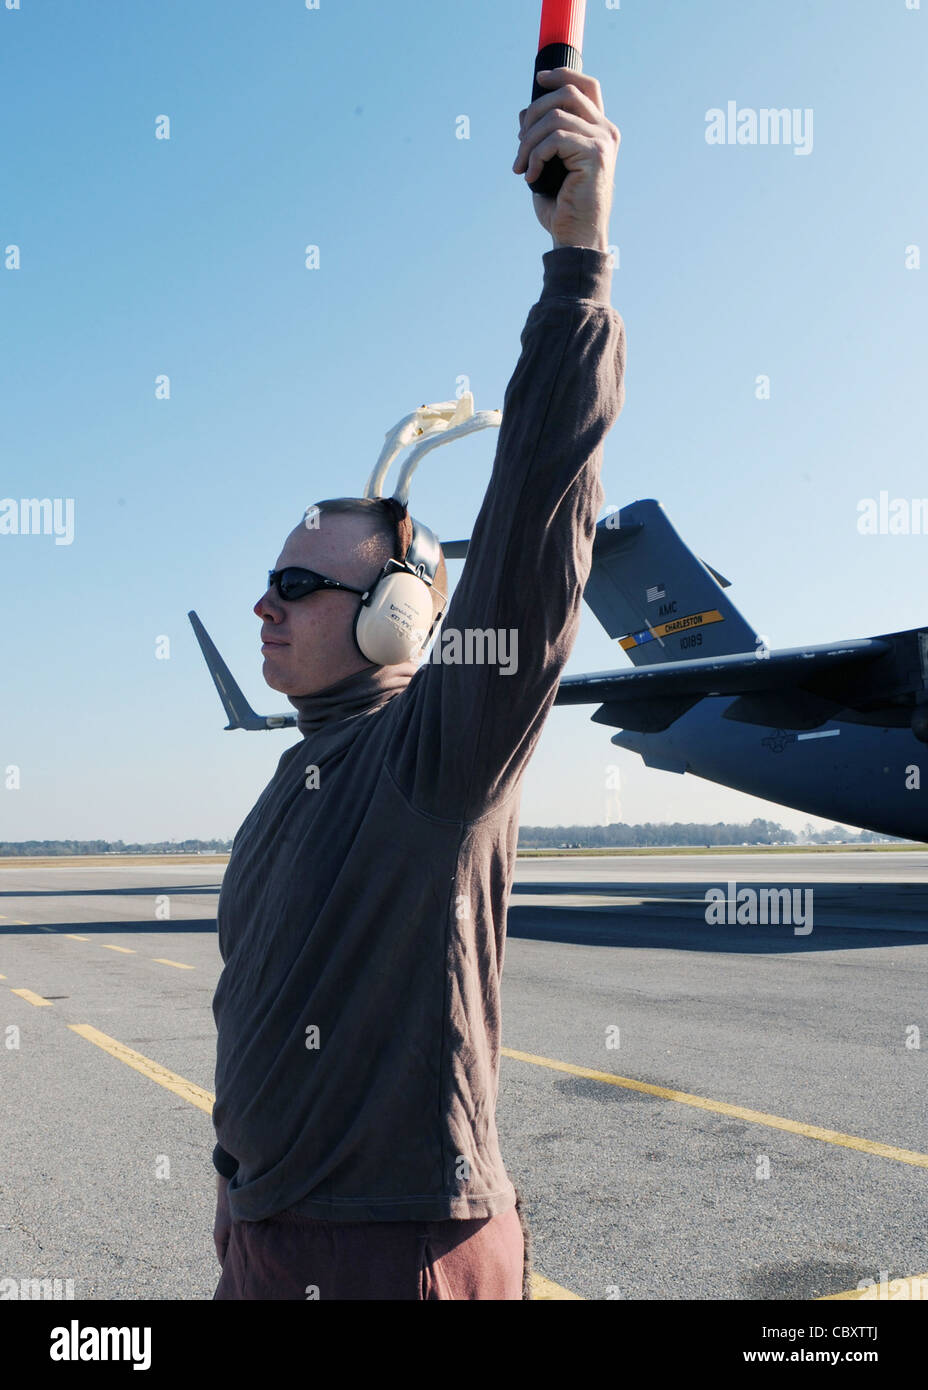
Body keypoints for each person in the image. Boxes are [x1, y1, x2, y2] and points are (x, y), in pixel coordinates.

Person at [211, 66, 626, 1300]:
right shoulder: (295, 780)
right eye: (270, 580)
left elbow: (531, 535)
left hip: (397, 1256)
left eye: (296, 584)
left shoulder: (431, 761)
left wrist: (579, 264)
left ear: (397, 619)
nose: (264, 604)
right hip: (265, 1241)